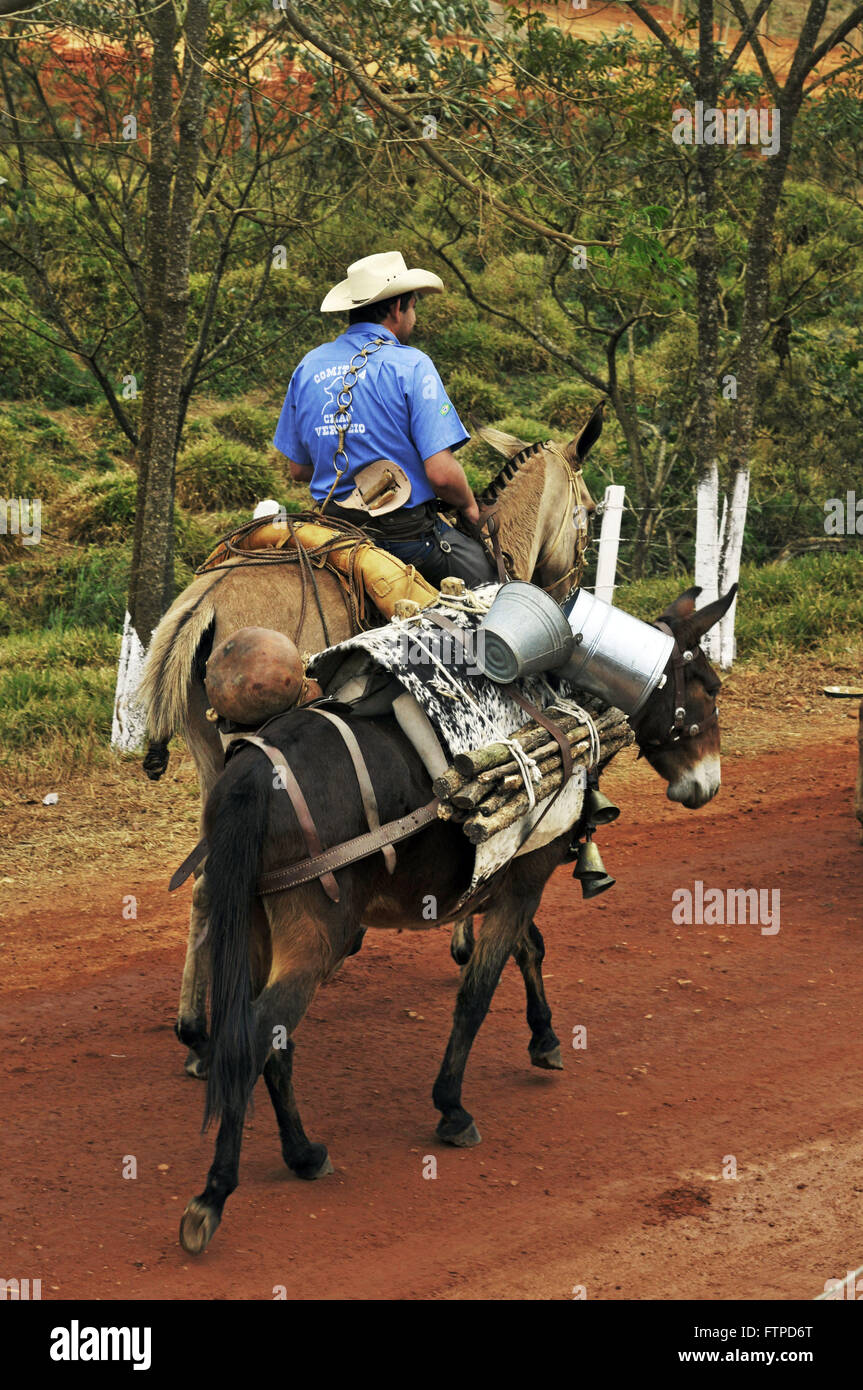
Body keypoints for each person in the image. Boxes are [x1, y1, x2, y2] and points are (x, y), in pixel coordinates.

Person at [273, 251, 496, 587]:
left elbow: (298, 469)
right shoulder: (412, 365)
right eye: (414, 307)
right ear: (397, 308)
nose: (414, 317)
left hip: (330, 536)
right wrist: (469, 507)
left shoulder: (308, 366)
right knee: (490, 585)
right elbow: (442, 476)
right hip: (404, 540)